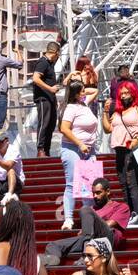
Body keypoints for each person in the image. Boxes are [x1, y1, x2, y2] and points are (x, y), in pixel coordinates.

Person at [43, 177, 130, 265]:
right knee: (53, 245)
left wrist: (88, 227)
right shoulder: (93, 209)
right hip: (89, 238)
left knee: (85, 209)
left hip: (107, 239)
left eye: (98, 192)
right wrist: (87, 229)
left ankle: (87, 255)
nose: (95, 196)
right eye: (93, 193)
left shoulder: (121, 207)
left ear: (108, 192)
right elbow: (86, 231)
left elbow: (109, 224)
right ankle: (53, 260)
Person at [103, 79, 138, 228]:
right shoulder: (118, 111)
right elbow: (108, 129)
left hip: (134, 147)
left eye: (127, 92)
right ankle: (131, 211)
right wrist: (105, 112)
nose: (124, 95)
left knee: (132, 181)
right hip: (119, 148)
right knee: (123, 182)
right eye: (121, 93)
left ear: (133, 92)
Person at [58, 79, 100, 231]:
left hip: (89, 149)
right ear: (75, 94)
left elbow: (95, 91)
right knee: (71, 183)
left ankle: (88, 216)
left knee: (89, 184)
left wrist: (80, 89)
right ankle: (68, 219)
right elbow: (64, 128)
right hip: (72, 148)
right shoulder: (70, 108)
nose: (85, 92)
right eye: (82, 91)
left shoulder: (84, 104)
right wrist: (79, 143)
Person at [31, 41, 62, 159]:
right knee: (44, 123)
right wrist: (50, 89)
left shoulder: (49, 64)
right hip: (43, 98)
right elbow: (36, 78)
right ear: (55, 52)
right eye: (58, 54)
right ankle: (40, 149)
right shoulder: (43, 62)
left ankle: (46, 150)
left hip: (50, 99)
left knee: (50, 124)